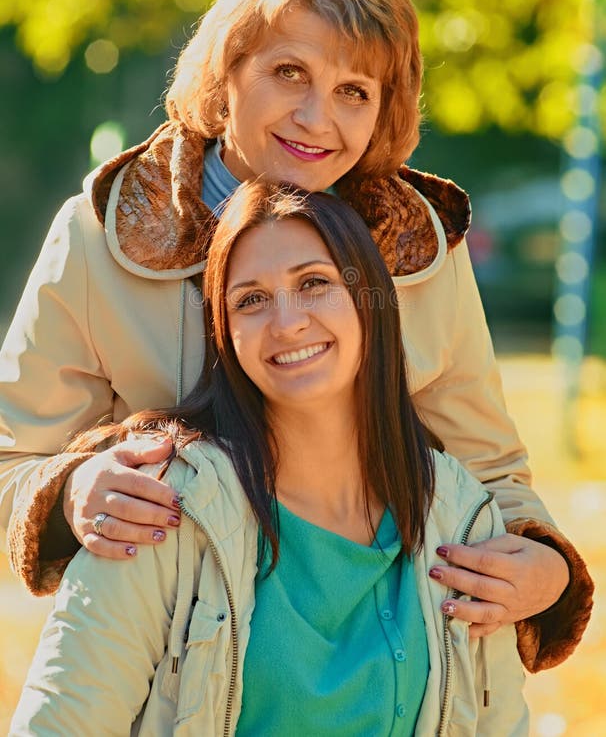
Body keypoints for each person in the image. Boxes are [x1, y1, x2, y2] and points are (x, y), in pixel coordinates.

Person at [1, 0, 592, 670]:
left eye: (353, 91)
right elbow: (11, 459)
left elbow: (492, 474)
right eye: (288, 72)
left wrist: (543, 568)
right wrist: (74, 490)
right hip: (169, 665)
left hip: (375, 660)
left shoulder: (417, 249)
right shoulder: (99, 236)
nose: (317, 118)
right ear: (227, 73)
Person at [10, 181, 530, 736]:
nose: (287, 323)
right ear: (225, 334)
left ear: (369, 301)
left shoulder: (460, 516)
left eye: (314, 283)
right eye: (251, 300)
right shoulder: (161, 506)